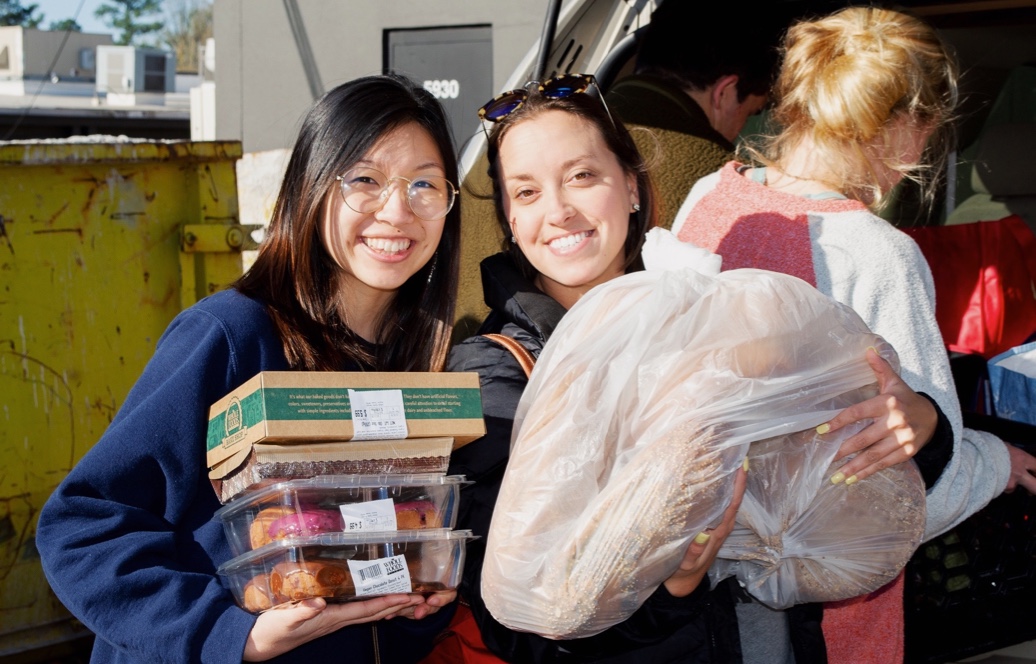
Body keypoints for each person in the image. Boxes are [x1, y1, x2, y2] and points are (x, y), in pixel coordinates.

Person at [35, 74, 462, 664]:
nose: (397, 210)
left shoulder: (426, 370)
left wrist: (417, 598)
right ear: (312, 187)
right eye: (365, 179)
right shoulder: (232, 335)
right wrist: (230, 636)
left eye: (424, 184)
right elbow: (83, 525)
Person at [672, 7, 1036, 663]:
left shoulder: (709, 200)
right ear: (904, 126)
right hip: (823, 624)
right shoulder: (875, 254)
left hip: (698, 591)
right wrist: (995, 463)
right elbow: (913, 493)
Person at [435, 75, 762, 663]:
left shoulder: (706, 316)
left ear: (631, 186)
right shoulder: (493, 375)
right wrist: (675, 587)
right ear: (510, 220)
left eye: (581, 176)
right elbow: (519, 618)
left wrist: (920, 424)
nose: (559, 211)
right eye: (527, 192)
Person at [605, 3, 791, 228]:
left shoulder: (584, 112)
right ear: (724, 93)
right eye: (753, 112)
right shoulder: (726, 183)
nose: (741, 128)